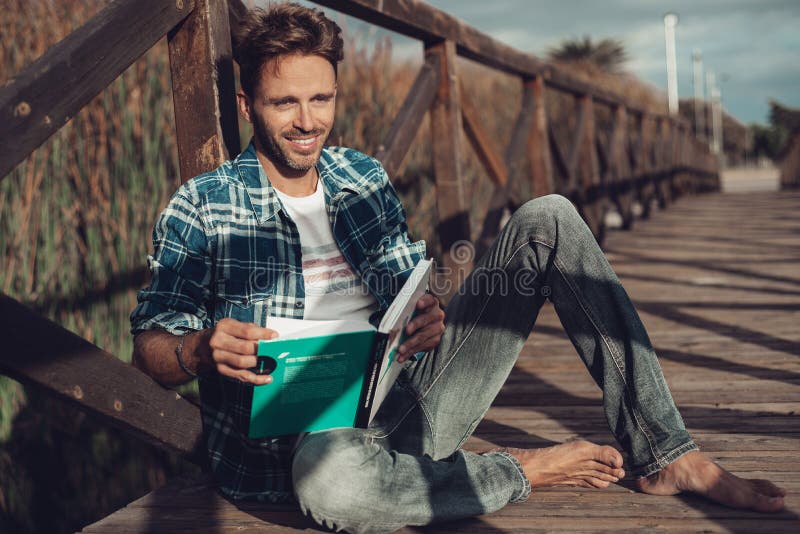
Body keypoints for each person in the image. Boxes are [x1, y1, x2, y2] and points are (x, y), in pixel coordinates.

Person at [130, 3, 786, 532]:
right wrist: (198, 349)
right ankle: (522, 471)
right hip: (303, 453)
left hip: (406, 405)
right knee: (331, 483)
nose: (309, 123)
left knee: (550, 215)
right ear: (247, 104)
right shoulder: (205, 207)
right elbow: (150, 353)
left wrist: (424, 318)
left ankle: (664, 453)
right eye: (285, 105)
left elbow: (403, 293)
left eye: (322, 100)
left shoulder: (360, 177)